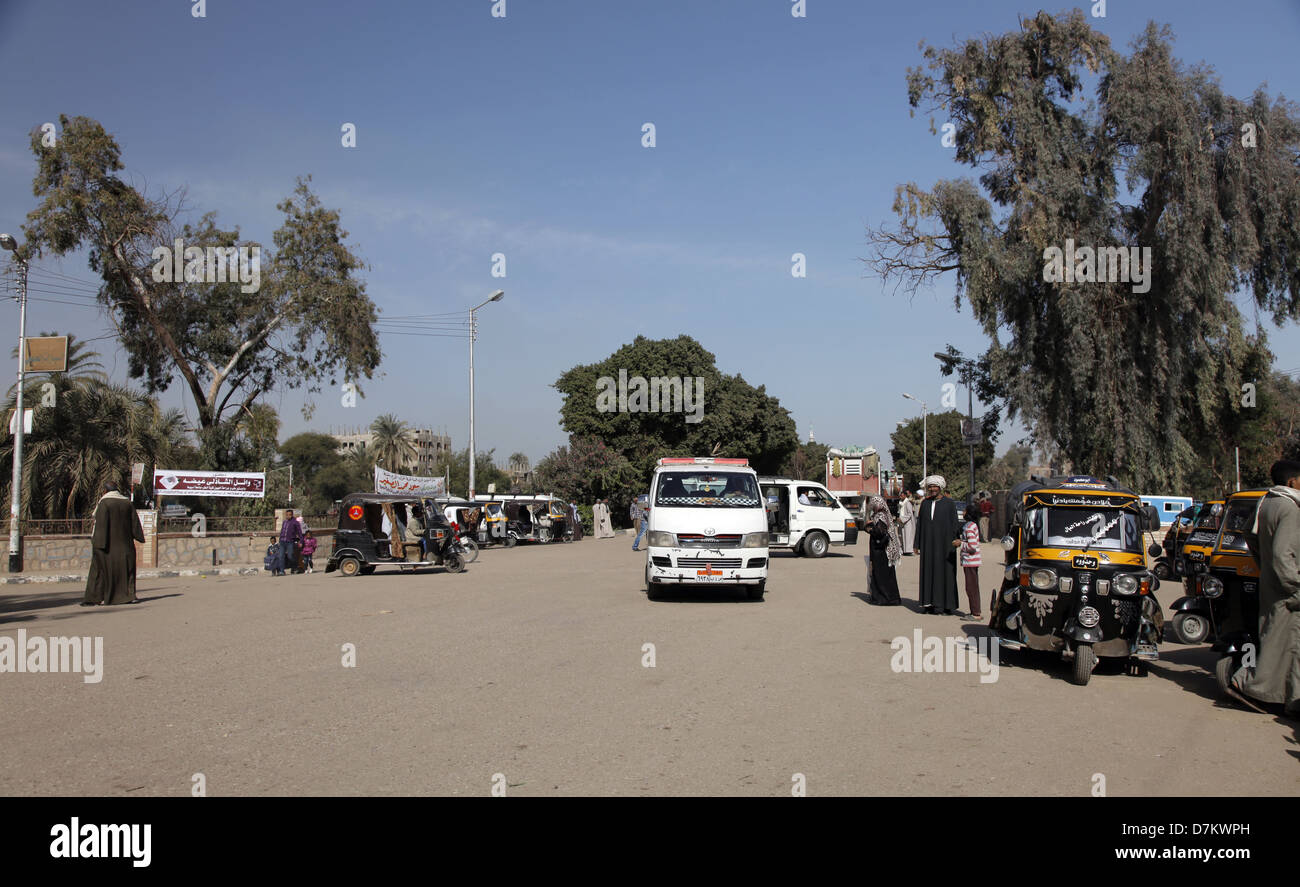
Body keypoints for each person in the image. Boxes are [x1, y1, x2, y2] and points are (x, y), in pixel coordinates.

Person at [1229, 459, 1300, 715]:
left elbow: (1249, 535)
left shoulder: (1266, 502)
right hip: (1287, 588)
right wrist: (1295, 585)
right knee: (1285, 644)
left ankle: (1288, 699)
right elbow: (1284, 554)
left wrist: (1264, 563)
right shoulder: (1291, 508)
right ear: (1292, 481)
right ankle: (1252, 686)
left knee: (1276, 640)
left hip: (1271, 582)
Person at [82, 480, 146, 606]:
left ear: (105, 491)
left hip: (106, 546)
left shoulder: (105, 503)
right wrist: (139, 537)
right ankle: (128, 596)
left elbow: (101, 525)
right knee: (127, 573)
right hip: (126, 546)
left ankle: (94, 598)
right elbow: (135, 525)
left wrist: (98, 544)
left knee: (98, 571)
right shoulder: (127, 503)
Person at [913, 476, 961, 615]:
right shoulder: (925, 503)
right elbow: (920, 525)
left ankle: (946, 606)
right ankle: (929, 604)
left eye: (935, 487)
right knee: (928, 573)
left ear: (940, 487)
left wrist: (956, 540)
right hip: (928, 546)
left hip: (945, 546)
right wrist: (917, 544)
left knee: (945, 574)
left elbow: (954, 525)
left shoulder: (949, 504)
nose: (932, 489)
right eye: (930, 487)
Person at [865, 496, 902, 605]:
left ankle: (884, 598)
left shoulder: (880, 515)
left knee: (881, 575)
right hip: (884, 550)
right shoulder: (883, 514)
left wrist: (869, 528)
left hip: (882, 551)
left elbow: (880, 532)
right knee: (888, 575)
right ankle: (891, 598)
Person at [959, 504, 984, 621]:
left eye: (964, 511)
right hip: (971, 561)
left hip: (970, 561)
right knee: (972, 586)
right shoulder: (972, 525)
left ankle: (975, 613)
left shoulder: (969, 527)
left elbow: (972, 546)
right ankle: (975, 610)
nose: (963, 513)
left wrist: (960, 544)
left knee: (971, 587)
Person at [280, 509, 304, 574]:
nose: (288, 516)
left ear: (292, 515)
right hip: (282, 541)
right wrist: (280, 539)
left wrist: (301, 541)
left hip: (290, 542)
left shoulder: (295, 523)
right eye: (287, 515)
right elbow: (282, 531)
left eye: (289, 515)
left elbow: (299, 532)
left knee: (290, 556)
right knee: (281, 556)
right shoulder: (284, 522)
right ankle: (282, 571)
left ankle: (295, 566)